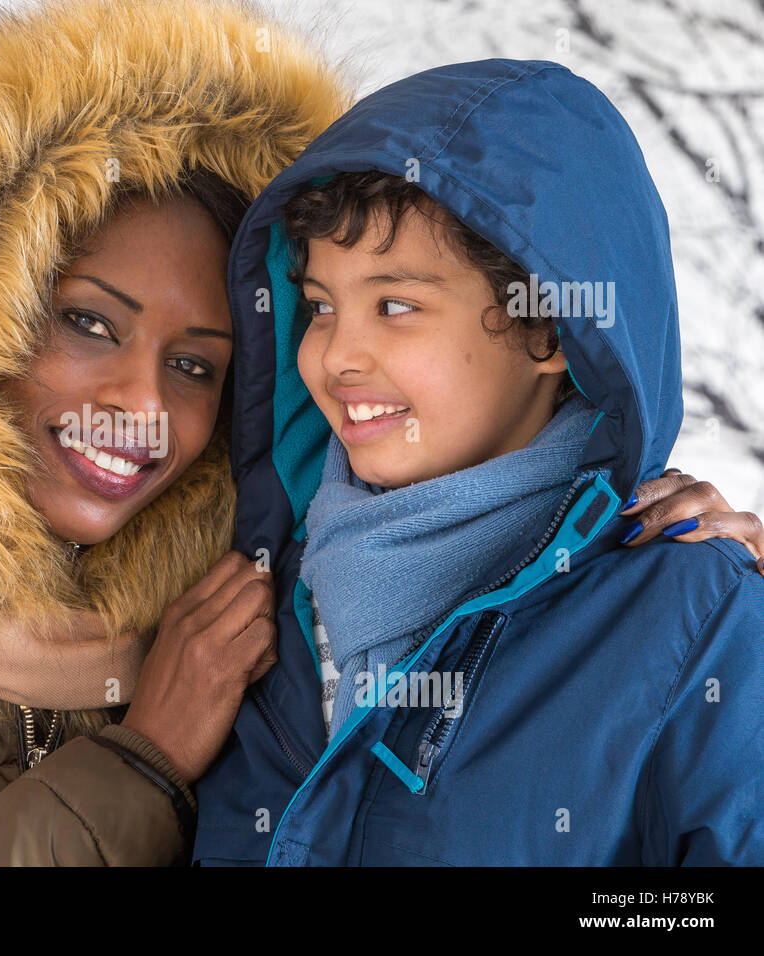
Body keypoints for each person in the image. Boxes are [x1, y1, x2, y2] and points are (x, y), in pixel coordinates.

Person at [0, 2, 756, 865]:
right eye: (89, 322)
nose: (141, 404)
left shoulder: (235, 599)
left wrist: (664, 536)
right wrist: (140, 759)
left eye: (200, 362)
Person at [192, 58, 764, 866]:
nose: (336, 356)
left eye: (396, 305)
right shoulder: (254, 612)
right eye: (321, 306)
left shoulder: (694, 617)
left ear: (549, 330)